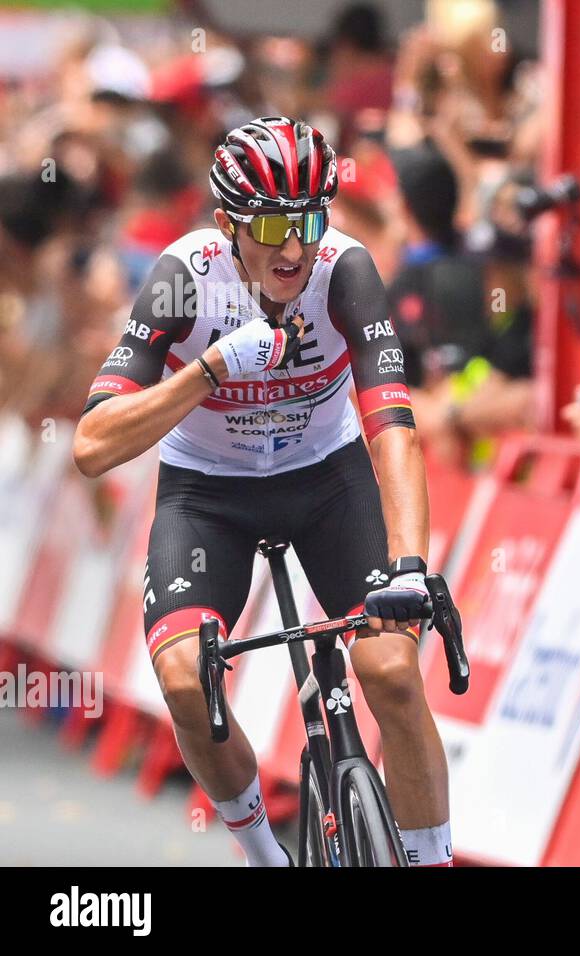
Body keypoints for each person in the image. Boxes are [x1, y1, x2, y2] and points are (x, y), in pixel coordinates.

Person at [72, 117, 453, 868]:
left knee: (392, 673)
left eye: (308, 220)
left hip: (327, 480)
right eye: (271, 224)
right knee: (185, 682)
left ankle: (431, 858)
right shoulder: (185, 277)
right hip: (209, 493)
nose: (292, 248)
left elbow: (393, 430)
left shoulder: (345, 270)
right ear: (225, 225)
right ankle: (261, 854)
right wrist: (207, 372)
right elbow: (91, 445)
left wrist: (410, 565)